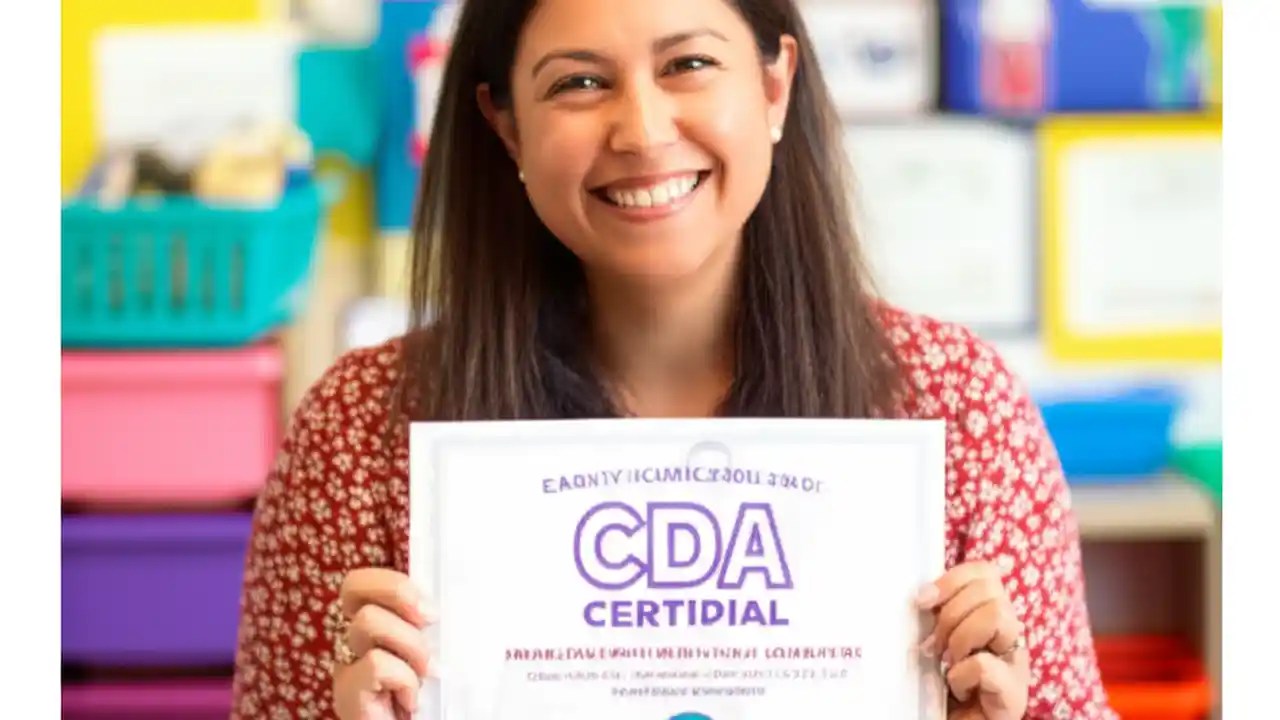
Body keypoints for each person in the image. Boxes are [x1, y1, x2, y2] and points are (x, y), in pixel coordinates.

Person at [230, 0, 1116, 717]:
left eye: (687, 64)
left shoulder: (959, 406)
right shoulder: (361, 430)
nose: (643, 131)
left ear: (775, 86)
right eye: (579, 82)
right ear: (507, 128)